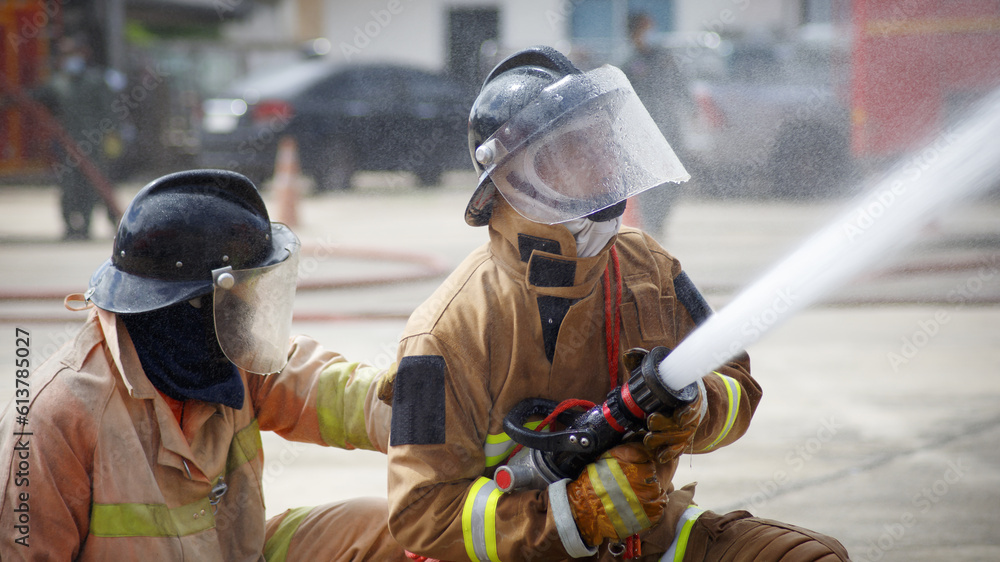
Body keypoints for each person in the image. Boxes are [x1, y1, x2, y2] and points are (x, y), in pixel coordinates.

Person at [384, 46, 850, 561]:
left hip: (647, 536)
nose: (602, 164)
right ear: (517, 177)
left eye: (603, 144)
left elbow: (739, 386)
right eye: (573, 150)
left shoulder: (649, 269)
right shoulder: (447, 330)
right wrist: (573, 514)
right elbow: (420, 515)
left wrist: (693, 407)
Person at [0, 169, 406, 561]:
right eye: (240, 298)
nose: (249, 314)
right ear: (194, 307)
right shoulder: (55, 415)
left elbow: (335, 392)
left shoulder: (225, 355)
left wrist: (426, 412)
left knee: (394, 530)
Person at [620, 12, 694, 240]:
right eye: (646, 28)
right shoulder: (627, 63)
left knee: (675, 178)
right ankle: (653, 225)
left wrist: (691, 108)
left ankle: (659, 221)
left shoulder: (663, 57)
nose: (651, 33)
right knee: (650, 182)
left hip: (669, 128)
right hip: (642, 133)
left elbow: (679, 85)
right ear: (635, 32)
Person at [42, 36, 117, 240]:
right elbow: (37, 98)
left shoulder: (96, 81)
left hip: (93, 145)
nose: (69, 59)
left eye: (72, 54)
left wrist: (110, 137)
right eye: (64, 55)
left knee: (92, 186)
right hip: (66, 146)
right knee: (68, 187)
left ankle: (86, 225)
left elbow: (110, 112)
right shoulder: (57, 83)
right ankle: (69, 226)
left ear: (83, 54)